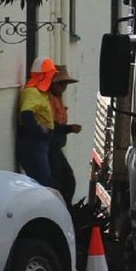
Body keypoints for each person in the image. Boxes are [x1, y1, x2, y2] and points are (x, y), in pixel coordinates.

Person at [17, 57, 56, 187]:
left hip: (40, 142)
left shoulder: (40, 92)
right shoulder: (32, 92)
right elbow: (26, 113)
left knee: (45, 179)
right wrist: (39, 130)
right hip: (34, 142)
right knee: (42, 180)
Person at [47, 65, 82, 206]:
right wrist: (69, 128)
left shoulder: (57, 98)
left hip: (55, 148)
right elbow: (50, 126)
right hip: (49, 148)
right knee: (61, 183)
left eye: (65, 84)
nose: (64, 87)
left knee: (68, 181)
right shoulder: (48, 100)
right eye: (61, 84)